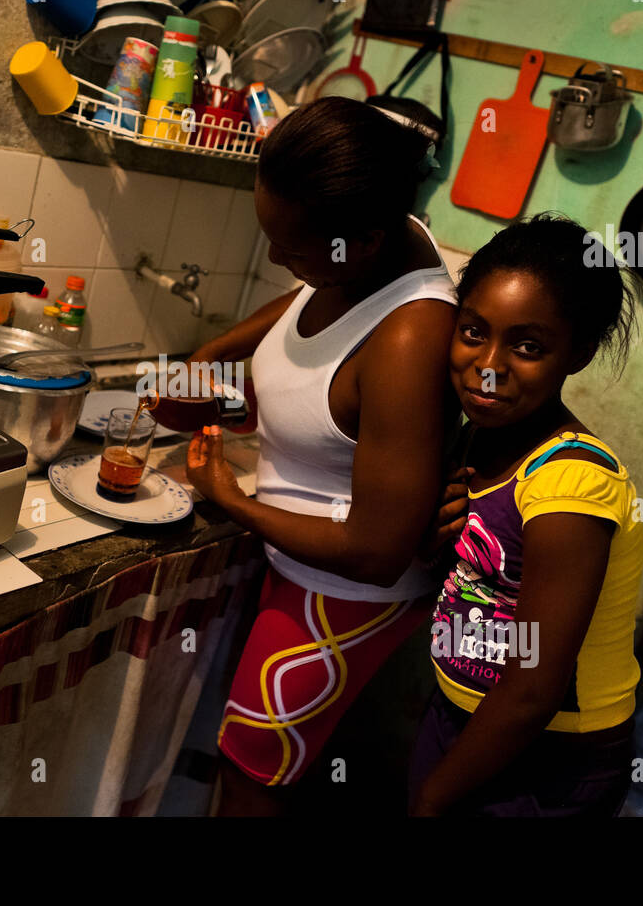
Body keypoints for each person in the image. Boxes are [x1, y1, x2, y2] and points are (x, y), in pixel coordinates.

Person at [183, 96, 459, 815]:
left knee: (252, 775)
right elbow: (311, 304)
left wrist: (232, 500)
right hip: (294, 567)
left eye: (291, 250)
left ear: (361, 243)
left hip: (339, 597)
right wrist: (217, 352)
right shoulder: (383, 239)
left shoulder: (410, 342)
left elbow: (376, 552)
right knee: (247, 753)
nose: (280, 262)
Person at [409, 213, 643, 817]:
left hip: (552, 759)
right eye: (472, 332)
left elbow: (534, 688)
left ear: (579, 353)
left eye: (528, 346)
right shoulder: (476, 438)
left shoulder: (571, 483)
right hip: (461, 717)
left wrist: (433, 799)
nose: (489, 365)